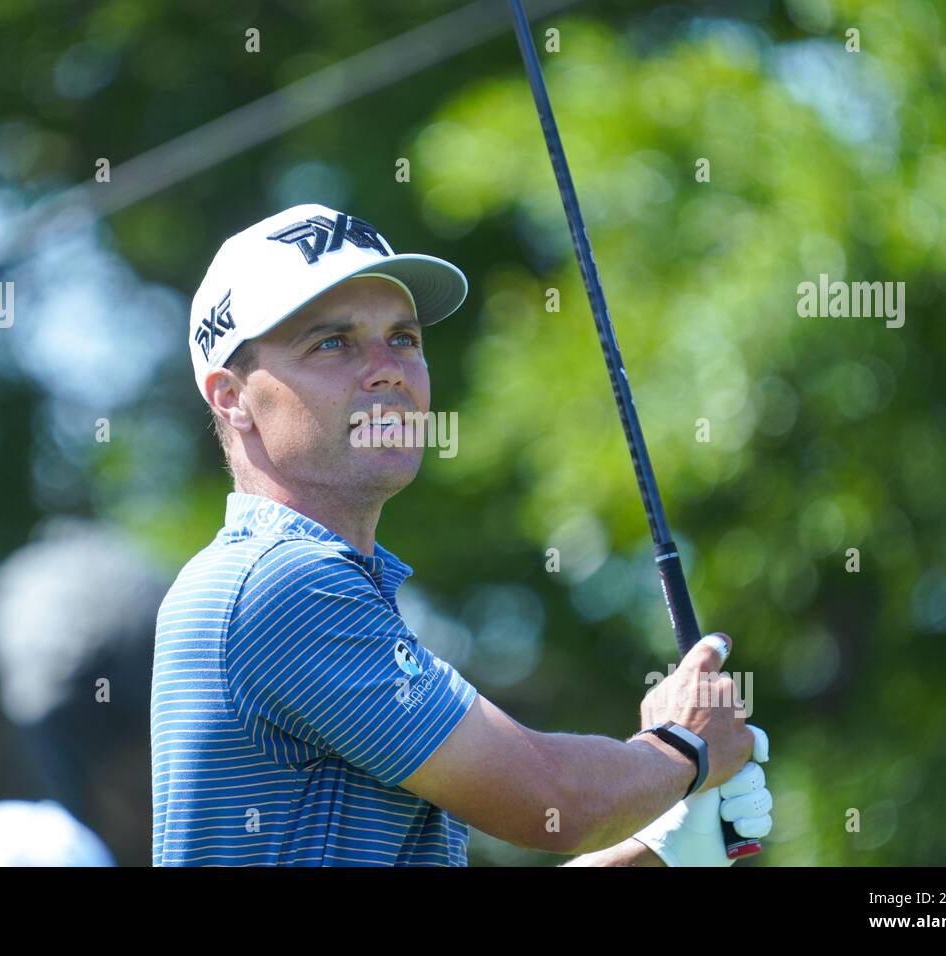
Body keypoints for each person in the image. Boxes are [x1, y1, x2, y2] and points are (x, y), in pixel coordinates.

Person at [151, 202, 772, 866]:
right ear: (230, 396)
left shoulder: (301, 583)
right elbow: (547, 799)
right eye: (332, 342)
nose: (387, 368)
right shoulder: (282, 581)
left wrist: (659, 849)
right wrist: (684, 747)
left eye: (404, 338)